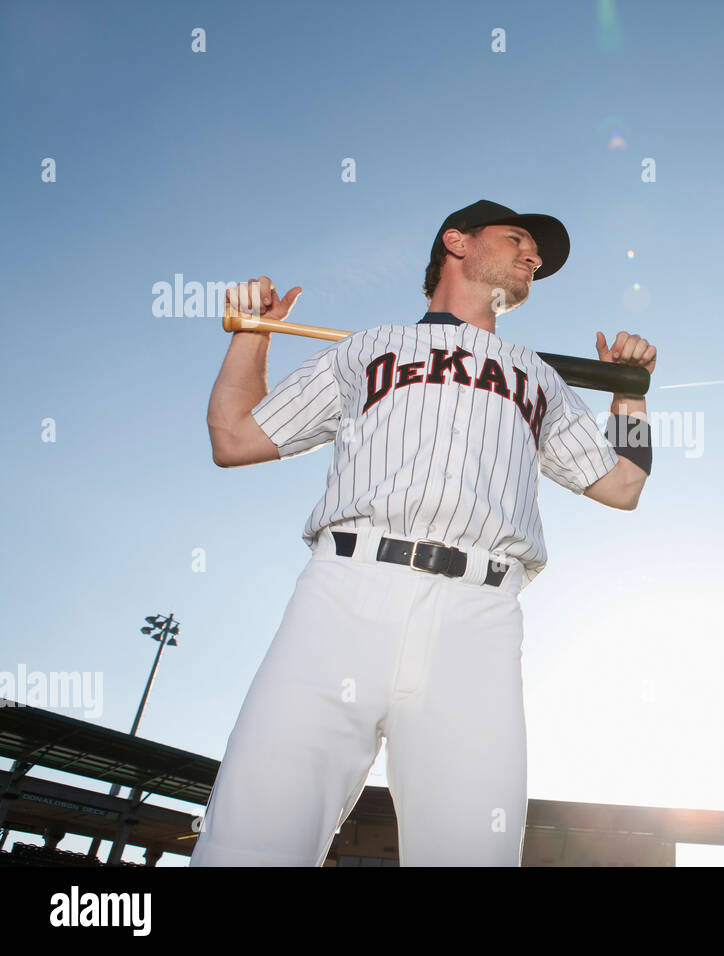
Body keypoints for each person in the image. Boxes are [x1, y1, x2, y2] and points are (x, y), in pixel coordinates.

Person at [192, 199, 656, 866]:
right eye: (519, 239)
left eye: (539, 254)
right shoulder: (367, 348)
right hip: (344, 595)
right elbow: (234, 438)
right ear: (456, 242)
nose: (535, 257)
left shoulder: (540, 377)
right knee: (250, 844)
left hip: (479, 615)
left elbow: (623, 485)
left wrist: (630, 399)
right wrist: (252, 333)